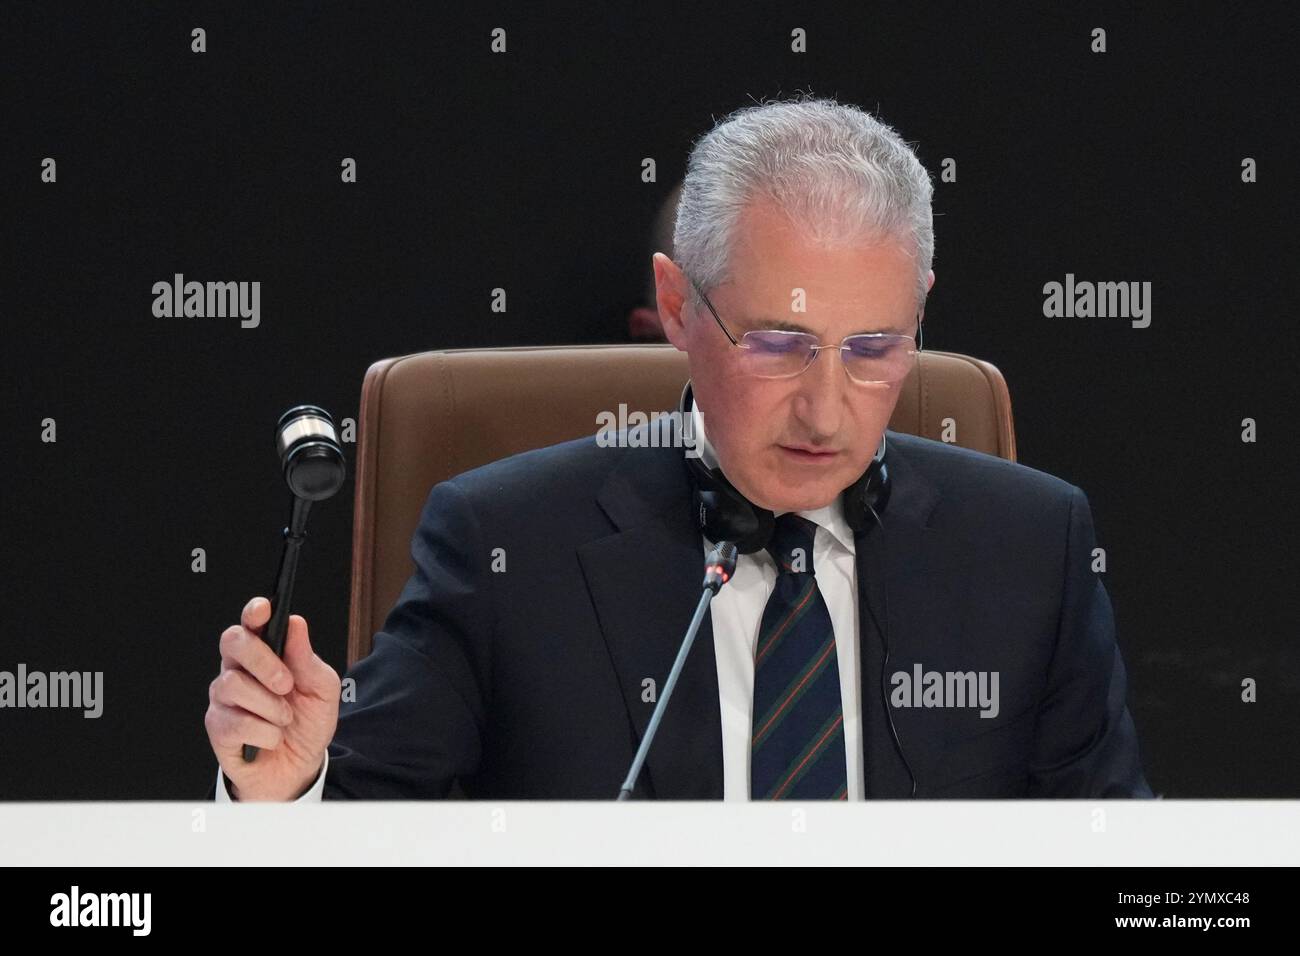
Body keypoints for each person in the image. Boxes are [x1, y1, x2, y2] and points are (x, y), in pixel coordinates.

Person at [205, 94, 1153, 800]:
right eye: (779, 343)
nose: (827, 413)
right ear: (675, 305)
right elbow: (378, 827)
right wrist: (290, 786)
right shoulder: (506, 546)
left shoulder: (1032, 546)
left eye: (873, 349)